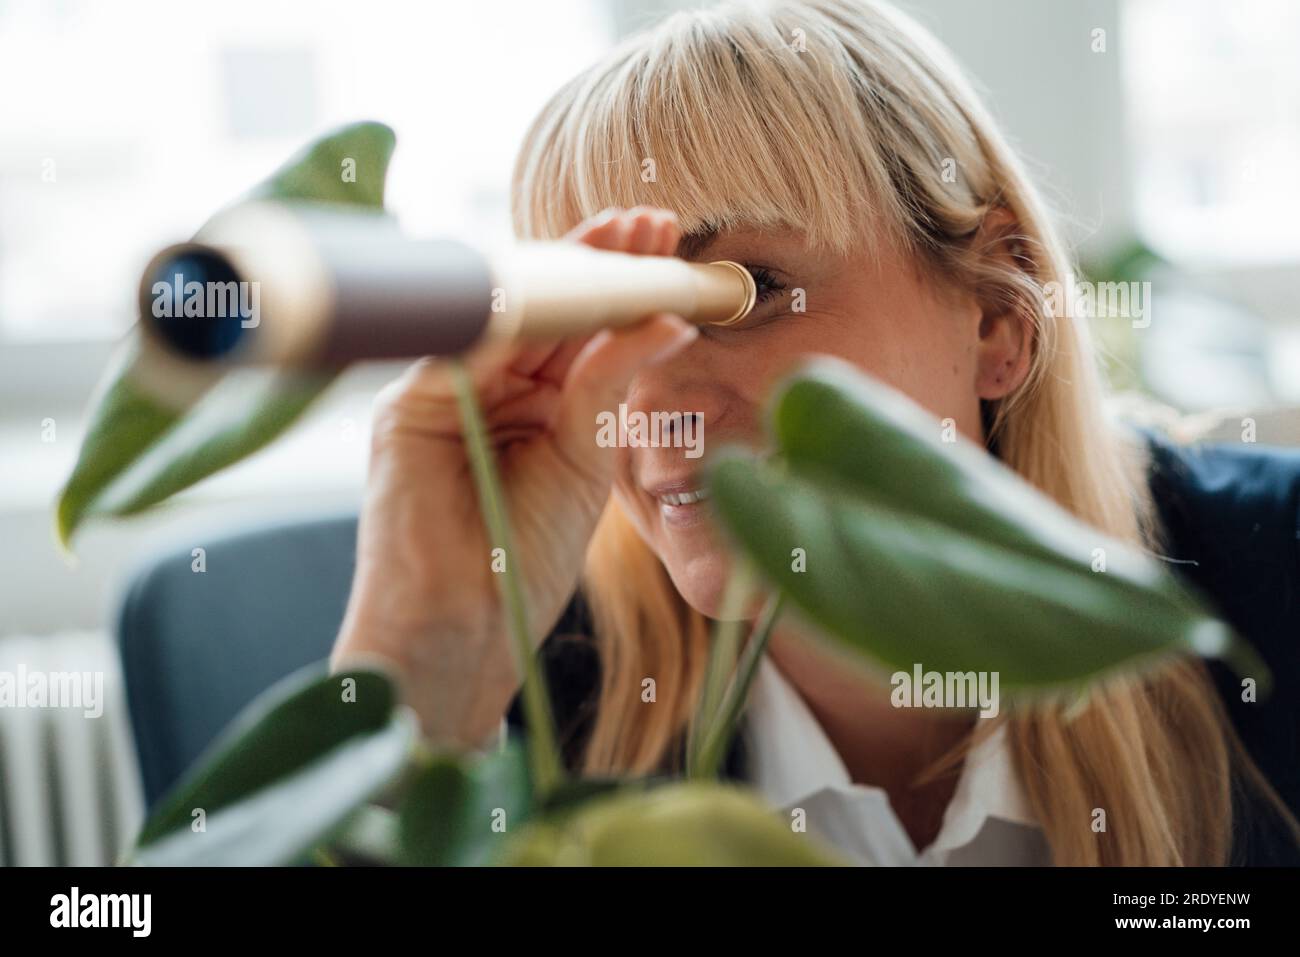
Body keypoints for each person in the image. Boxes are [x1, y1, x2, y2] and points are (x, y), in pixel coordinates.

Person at [331, 0, 1299, 865]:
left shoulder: (1270, 577)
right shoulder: (540, 681)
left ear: (997, 319)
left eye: (745, 290)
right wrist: (426, 666)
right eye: (600, 319)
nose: (652, 395)